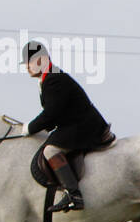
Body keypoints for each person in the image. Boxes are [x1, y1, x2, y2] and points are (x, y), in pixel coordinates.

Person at [22, 40, 111, 212]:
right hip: (73, 124)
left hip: (84, 125)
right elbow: (55, 115)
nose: (26, 66)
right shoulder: (48, 78)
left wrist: (30, 128)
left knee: (50, 150)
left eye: (29, 62)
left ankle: (74, 194)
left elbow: (51, 114)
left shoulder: (55, 79)